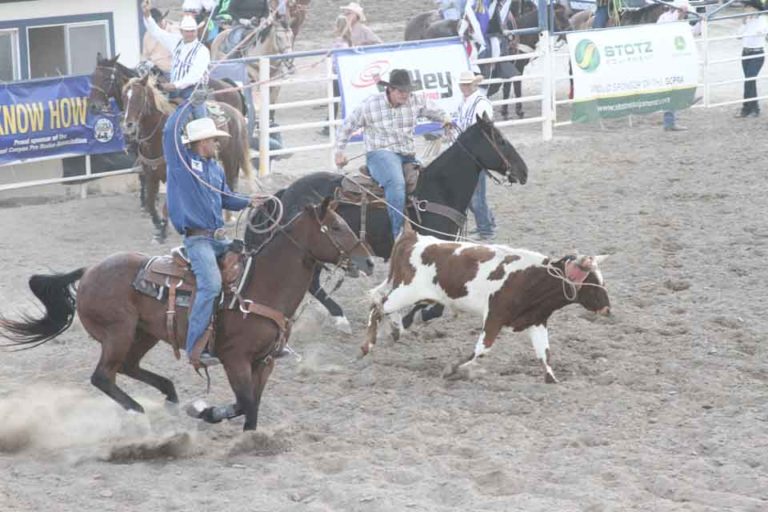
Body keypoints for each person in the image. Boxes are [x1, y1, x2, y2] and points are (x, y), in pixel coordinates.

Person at [163, 106, 256, 368]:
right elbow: (170, 132)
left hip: (218, 238)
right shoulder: (181, 166)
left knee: (251, 264)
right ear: (201, 142)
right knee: (211, 285)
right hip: (198, 240)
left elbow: (227, 198)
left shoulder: (214, 169)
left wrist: (251, 201)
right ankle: (195, 348)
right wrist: (189, 104)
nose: (217, 143)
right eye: (214, 139)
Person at [335, 69, 452, 241]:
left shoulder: (415, 100)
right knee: (396, 183)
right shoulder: (370, 105)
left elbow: (437, 111)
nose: (405, 95)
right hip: (380, 153)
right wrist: (339, 151)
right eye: (401, 91)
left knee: (429, 181)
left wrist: (446, 119)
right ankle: (399, 235)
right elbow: (348, 126)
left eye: (408, 91)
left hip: (408, 154)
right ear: (389, 89)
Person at [142, 1, 210, 119]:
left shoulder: (202, 51)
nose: (190, 34)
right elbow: (157, 32)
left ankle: (205, 134)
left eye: (192, 31)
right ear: (182, 31)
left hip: (192, 91)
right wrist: (147, 14)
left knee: (200, 122)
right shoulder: (176, 42)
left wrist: (174, 85)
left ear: (196, 31)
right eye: (187, 31)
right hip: (174, 90)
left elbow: (194, 76)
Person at [456, 71, 496, 240]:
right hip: (467, 151)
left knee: (475, 195)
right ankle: (487, 223)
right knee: (474, 194)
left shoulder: (481, 104)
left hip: (475, 153)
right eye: (462, 84)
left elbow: (482, 130)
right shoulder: (467, 102)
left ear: (474, 85)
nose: (464, 87)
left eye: (467, 84)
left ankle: (486, 229)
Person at [657, 0, 690, 131]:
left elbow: (694, 31)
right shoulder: (665, 18)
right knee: (671, 89)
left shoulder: (681, 22)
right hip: (668, 58)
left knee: (675, 89)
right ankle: (669, 121)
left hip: (676, 58)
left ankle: (671, 119)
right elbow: (667, 29)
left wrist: (701, 22)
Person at [737, 0, 768, 118]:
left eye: (748, 7)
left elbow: (761, 32)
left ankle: (753, 108)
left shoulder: (762, 20)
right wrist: (744, 23)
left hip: (757, 53)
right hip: (746, 52)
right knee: (748, 80)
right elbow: (738, 35)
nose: (745, 9)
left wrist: (751, 26)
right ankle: (747, 108)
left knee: (750, 79)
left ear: (754, 8)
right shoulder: (747, 21)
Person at [141, 8, 177, 77]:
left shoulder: (173, 31)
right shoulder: (147, 35)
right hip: (153, 71)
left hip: (170, 71)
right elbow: (145, 56)